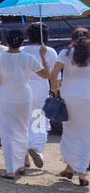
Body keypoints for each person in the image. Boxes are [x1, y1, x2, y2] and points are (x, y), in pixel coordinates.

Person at [0, 29, 52, 179]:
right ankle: (21, 164)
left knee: (7, 133)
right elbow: (46, 75)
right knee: (22, 131)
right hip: (24, 97)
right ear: (22, 42)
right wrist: (43, 57)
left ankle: (10, 169)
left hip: (5, 97)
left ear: (6, 42)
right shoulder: (28, 58)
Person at [51, 28, 90, 186]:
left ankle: (69, 166)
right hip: (88, 96)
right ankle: (82, 173)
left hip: (68, 96)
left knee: (69, 131)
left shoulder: (65, 54)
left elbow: (54, 75)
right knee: (86, 133)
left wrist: (55, 90)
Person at [20, 24, 54, 169]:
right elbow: (54, 75)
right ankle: (37, 150)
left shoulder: (21, 51)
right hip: (42, 89)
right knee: (39, 122)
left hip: (23, 90)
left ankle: (24, 157)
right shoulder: (50, 51)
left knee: (23, 123)